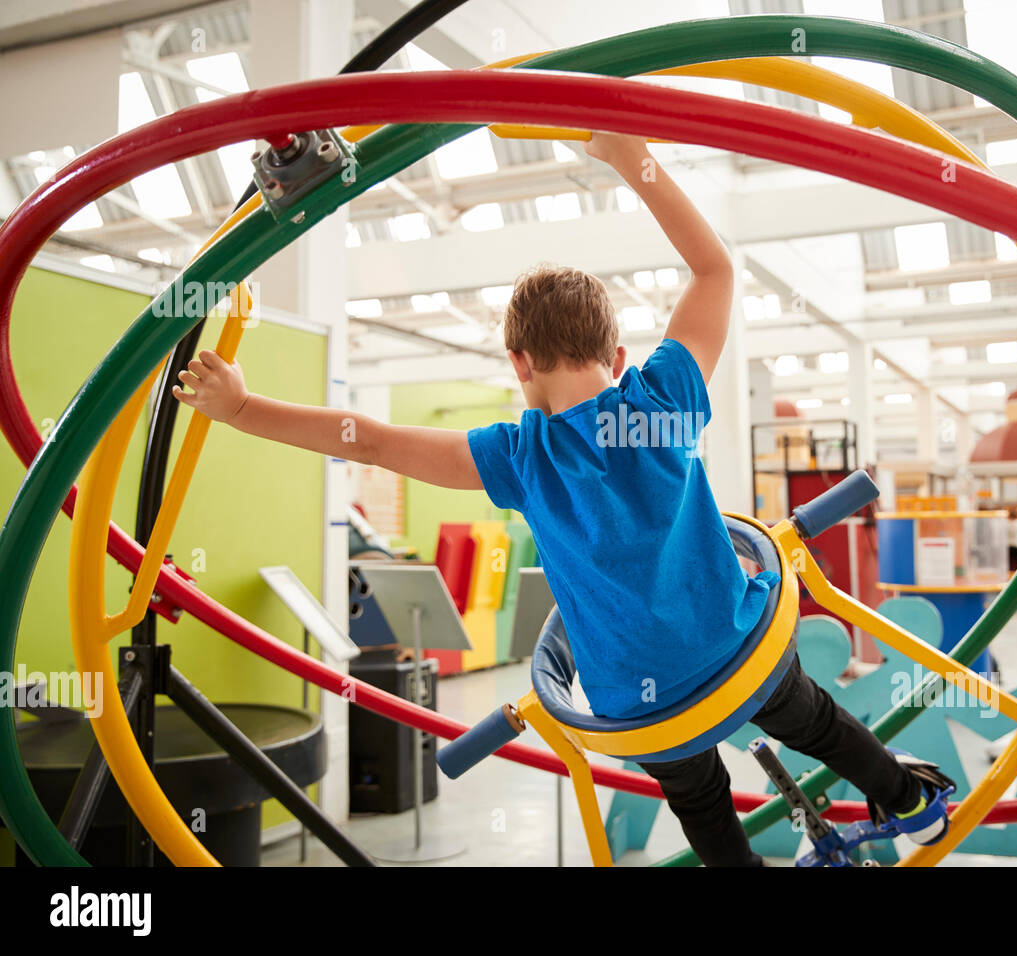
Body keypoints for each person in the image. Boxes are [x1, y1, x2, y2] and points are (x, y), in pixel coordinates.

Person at [173, 132, 953, 866]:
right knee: (814, 718)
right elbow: (714, 271)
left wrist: (242, 409)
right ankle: (909, 799)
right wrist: (631, 158)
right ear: (617, 355)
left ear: (519, 363)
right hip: (738, 652)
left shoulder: (517, 458)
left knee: (703, 806)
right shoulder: (663, 398)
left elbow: (367, 439)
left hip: (645, 706)